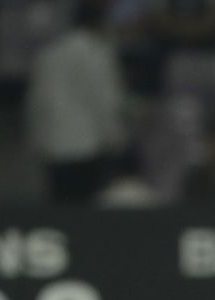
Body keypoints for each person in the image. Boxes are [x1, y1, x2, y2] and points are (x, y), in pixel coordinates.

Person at [26, 0, 130, 204]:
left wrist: (36, 139)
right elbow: (105, 101)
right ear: (98, 23)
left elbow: (35, 103)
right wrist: (116, 139)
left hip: (53, 145)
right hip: (88, 147)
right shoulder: (98, 54)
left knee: (62, 212)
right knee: (85, 214)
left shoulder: (49, 53)